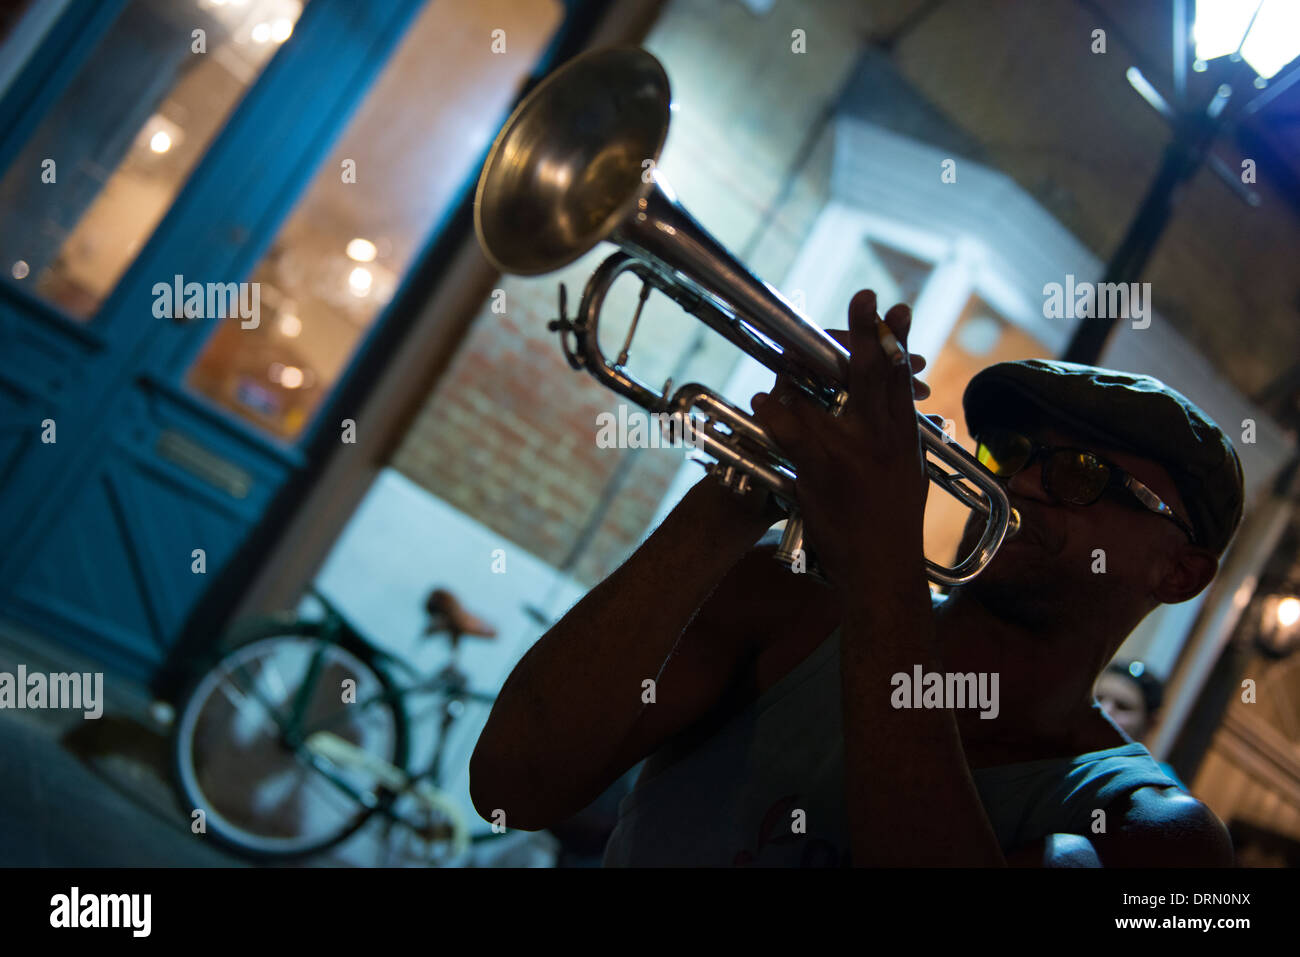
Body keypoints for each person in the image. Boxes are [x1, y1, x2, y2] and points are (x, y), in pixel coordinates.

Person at [469, 289, 1243, 866]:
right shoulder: (789, 603)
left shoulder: (1153, 829)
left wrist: (882, 567)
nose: (1026, 485)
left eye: (1080, 472)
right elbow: (512, 789)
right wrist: (738, 494)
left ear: (1179, 570)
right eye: (1010, 452)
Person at [1095, 660, 1186, 788]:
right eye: (1097, 699)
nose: (1103, 711)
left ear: (1150, 723)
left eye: (1122, 707)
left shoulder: (1161, 789)